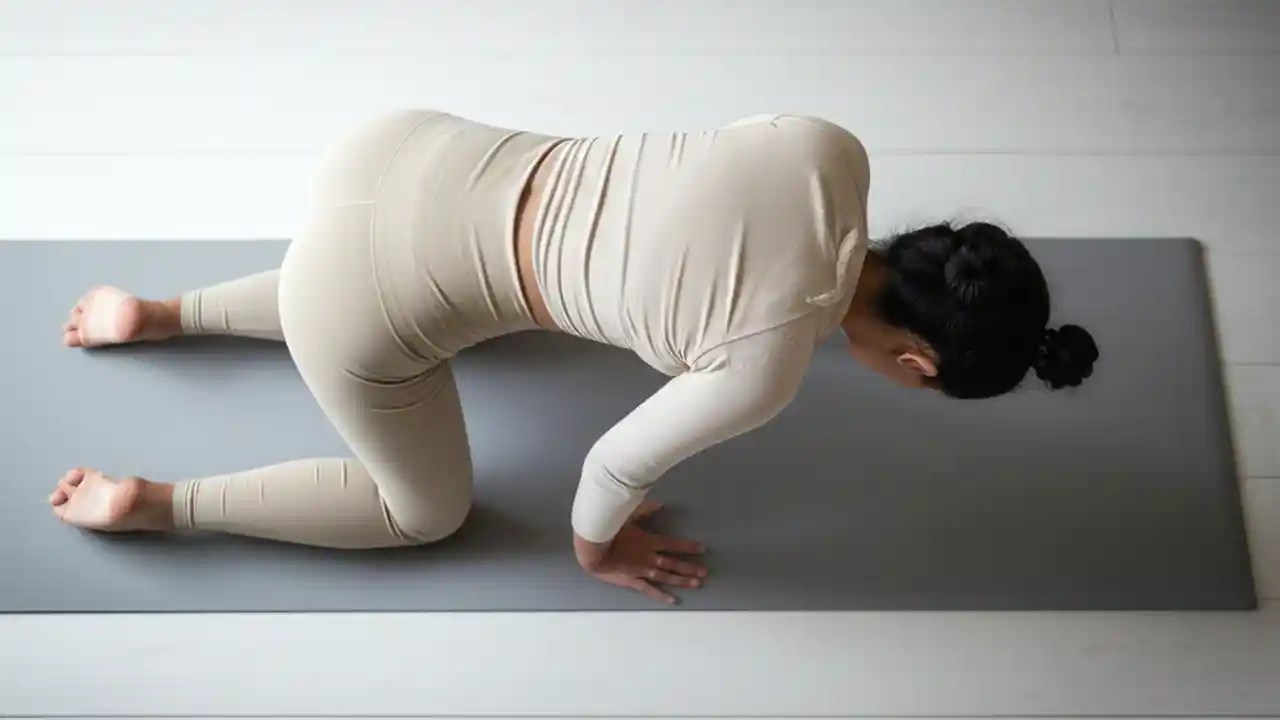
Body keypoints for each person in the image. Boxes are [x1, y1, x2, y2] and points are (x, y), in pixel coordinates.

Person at [48, 109, 1098, 604]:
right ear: (916, 367)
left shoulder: (829, 148)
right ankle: (155, 505)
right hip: (351, 288)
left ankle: (157, 312)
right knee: (421, 511)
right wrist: (600, 550)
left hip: (404, 147)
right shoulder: (759, 369)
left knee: (380, 272)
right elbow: (606, 473)